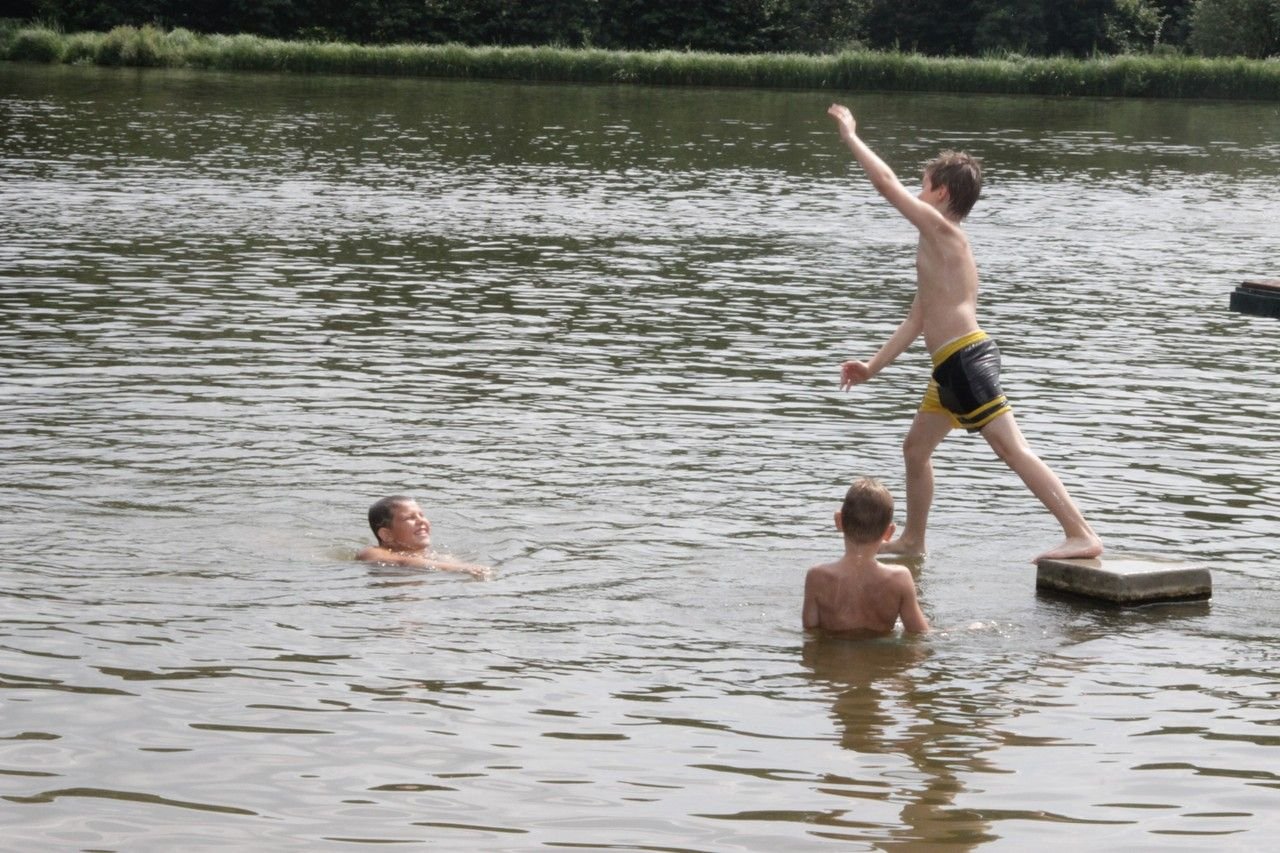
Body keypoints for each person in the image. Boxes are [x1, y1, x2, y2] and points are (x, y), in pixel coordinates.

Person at [827, 103, 1103, 564]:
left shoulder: (945, 232)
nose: (916, 192)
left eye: (923, 185)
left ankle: (1080, 533)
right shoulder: (934, 246)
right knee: (915, 450)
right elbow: (918, 319)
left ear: (939, 192)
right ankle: (914, 540)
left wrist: (851, 135)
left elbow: (884, 184)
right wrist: (872, 367)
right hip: (946, 370)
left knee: (1011, 449)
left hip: (966, 361)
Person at [803, 478, 930, 636]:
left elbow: (809, 629)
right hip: (883, 659)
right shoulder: (900, 579)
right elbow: (921, 633)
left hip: (835, 654)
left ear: (838, 520)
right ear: (889, 533)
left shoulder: (816, 577)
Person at [357, 495, 492, 579]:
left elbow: (457, 566)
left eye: (421, 515)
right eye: (410, 518)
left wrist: (471, 570)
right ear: (387, 535)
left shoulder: (432, 555)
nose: (422, 521)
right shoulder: (371, 553)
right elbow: (402, 562)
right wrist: (455, 568)